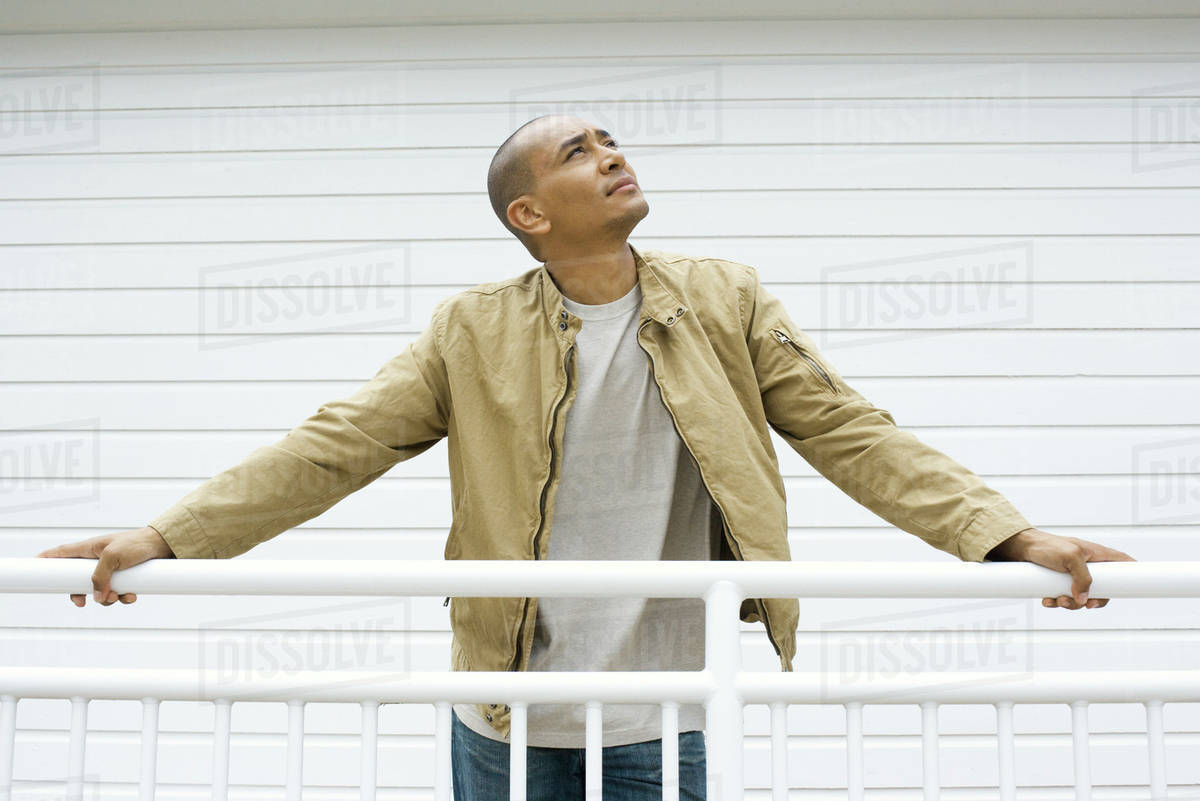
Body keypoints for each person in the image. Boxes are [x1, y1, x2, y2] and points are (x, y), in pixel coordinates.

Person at [38, 114, 1136, 800]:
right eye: (579, 152)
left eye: (613, 141)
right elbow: (337, 447)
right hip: (504, 709)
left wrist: (1003, 534)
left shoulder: (726, 298)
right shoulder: (469, 330)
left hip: (662, 703)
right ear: (530, 212)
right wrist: (167, 536)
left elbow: (851, 430)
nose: (612, 156)